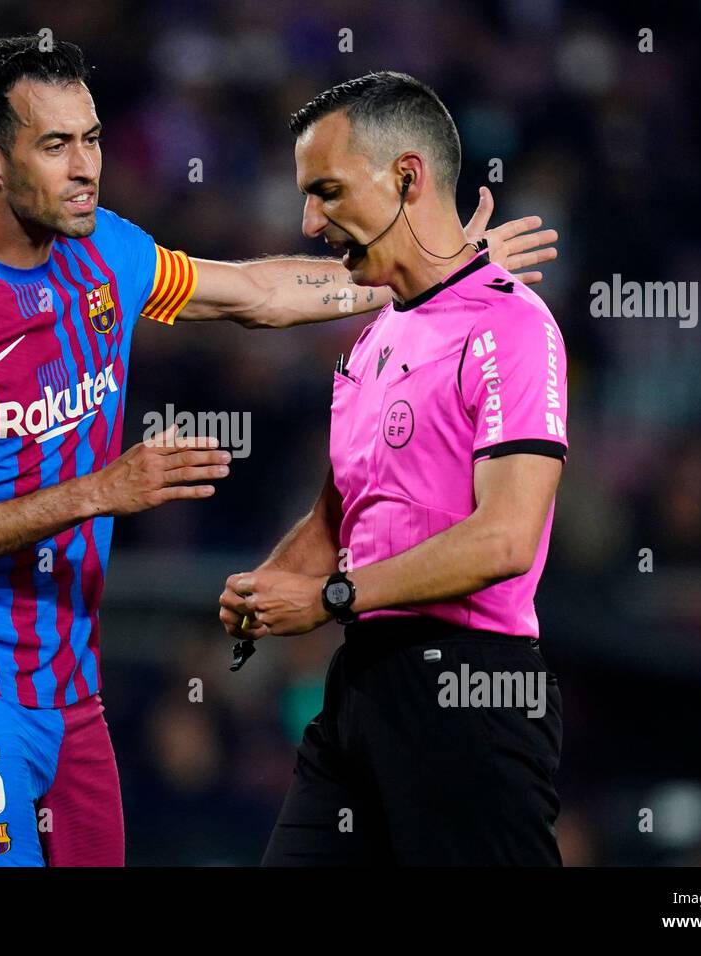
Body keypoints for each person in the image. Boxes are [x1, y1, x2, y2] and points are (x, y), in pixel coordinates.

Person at [0, 37, 557, 867]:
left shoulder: (104, 252)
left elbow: (258, 292)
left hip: (70, 691)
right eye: (56, 145)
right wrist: (96, 492)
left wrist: (430, 274)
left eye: (93, 138)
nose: (86, 167)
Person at [220, 72, 568, 865]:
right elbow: (341, 514)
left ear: (407, 176)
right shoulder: (372, 341)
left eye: (329, 191)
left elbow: (505, 540)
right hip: (361, 691)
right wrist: (272, 582)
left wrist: (331, 594)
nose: (311, 221)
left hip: (473, 692)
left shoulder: (513, 327)